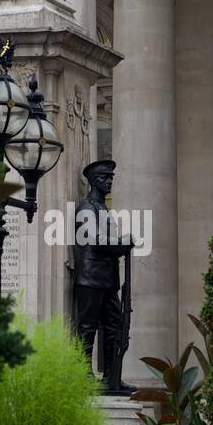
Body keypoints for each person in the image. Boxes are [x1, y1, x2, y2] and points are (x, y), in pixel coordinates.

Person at [73, 158, 135, 395]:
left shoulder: (102, 209)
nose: (109, 181)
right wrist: (123, 243)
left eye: (111, 178)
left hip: (108, 279)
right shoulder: (86, 208)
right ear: (92, 181)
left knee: (114, 325)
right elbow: (95, 240)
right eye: (104, 178)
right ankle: (84, 373)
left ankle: (112, 376)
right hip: (90, 278)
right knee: (88, 327)